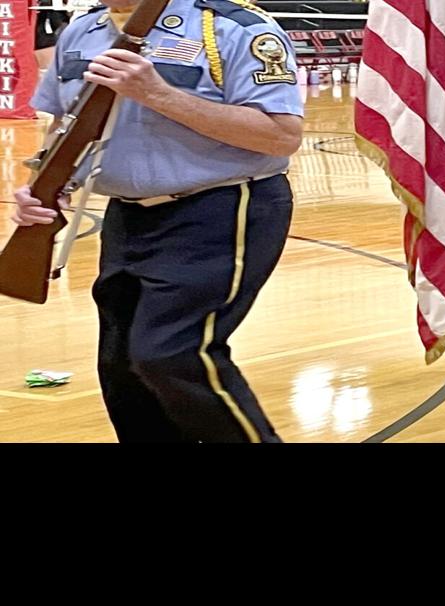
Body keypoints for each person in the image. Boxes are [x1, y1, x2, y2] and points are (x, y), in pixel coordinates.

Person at [11, 0, 302, 442]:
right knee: (121, 363)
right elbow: (64, 125)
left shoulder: (232, 27)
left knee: (172, 354)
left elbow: (281, 135)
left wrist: (157, 93)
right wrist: (45, 186)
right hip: (127, 215)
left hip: (221, 208)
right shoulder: (83, 29)